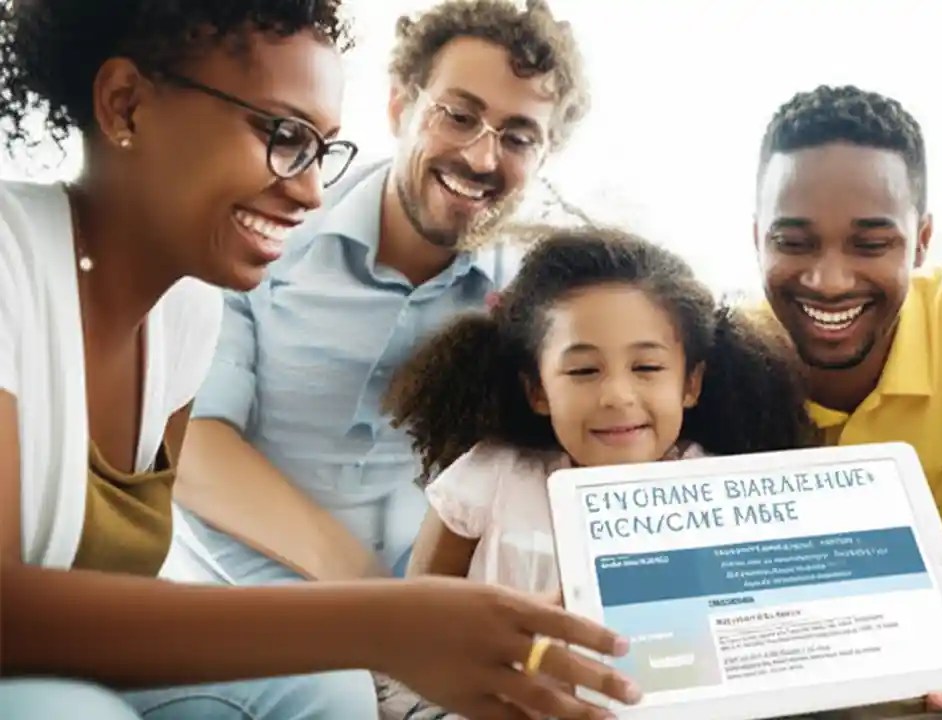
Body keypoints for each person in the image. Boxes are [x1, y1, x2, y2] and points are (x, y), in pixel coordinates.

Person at [0, 2, 639, 719]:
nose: (307, 190)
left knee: (330, 689)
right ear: (125, 104)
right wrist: (382, 614)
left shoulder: (186, 307)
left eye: (519, 136)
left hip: (382, 619)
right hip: (262, 600)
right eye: (280, 135)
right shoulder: (28, 262)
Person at [171, 0, 589, 586]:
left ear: (545, 156)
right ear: (400, 106)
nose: (481, 157)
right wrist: (369, 595)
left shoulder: (535, 301)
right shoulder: (267, 229)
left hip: (425, 609)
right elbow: (193, 444)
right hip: (240, 598)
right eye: (459, 115)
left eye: (519, 138)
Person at [377, 227, 812, 718]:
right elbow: (418, 618)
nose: (617, 396)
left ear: (691, 384)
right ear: (537, 389)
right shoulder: (492, 475)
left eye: (647, 367)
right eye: (584, 371)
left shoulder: (721, 491)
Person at [753, 85, 942, 545]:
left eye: (871, 245)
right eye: (793, 244)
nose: (830, 281)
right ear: (757, 238)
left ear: (922, 240)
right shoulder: (719, 357)